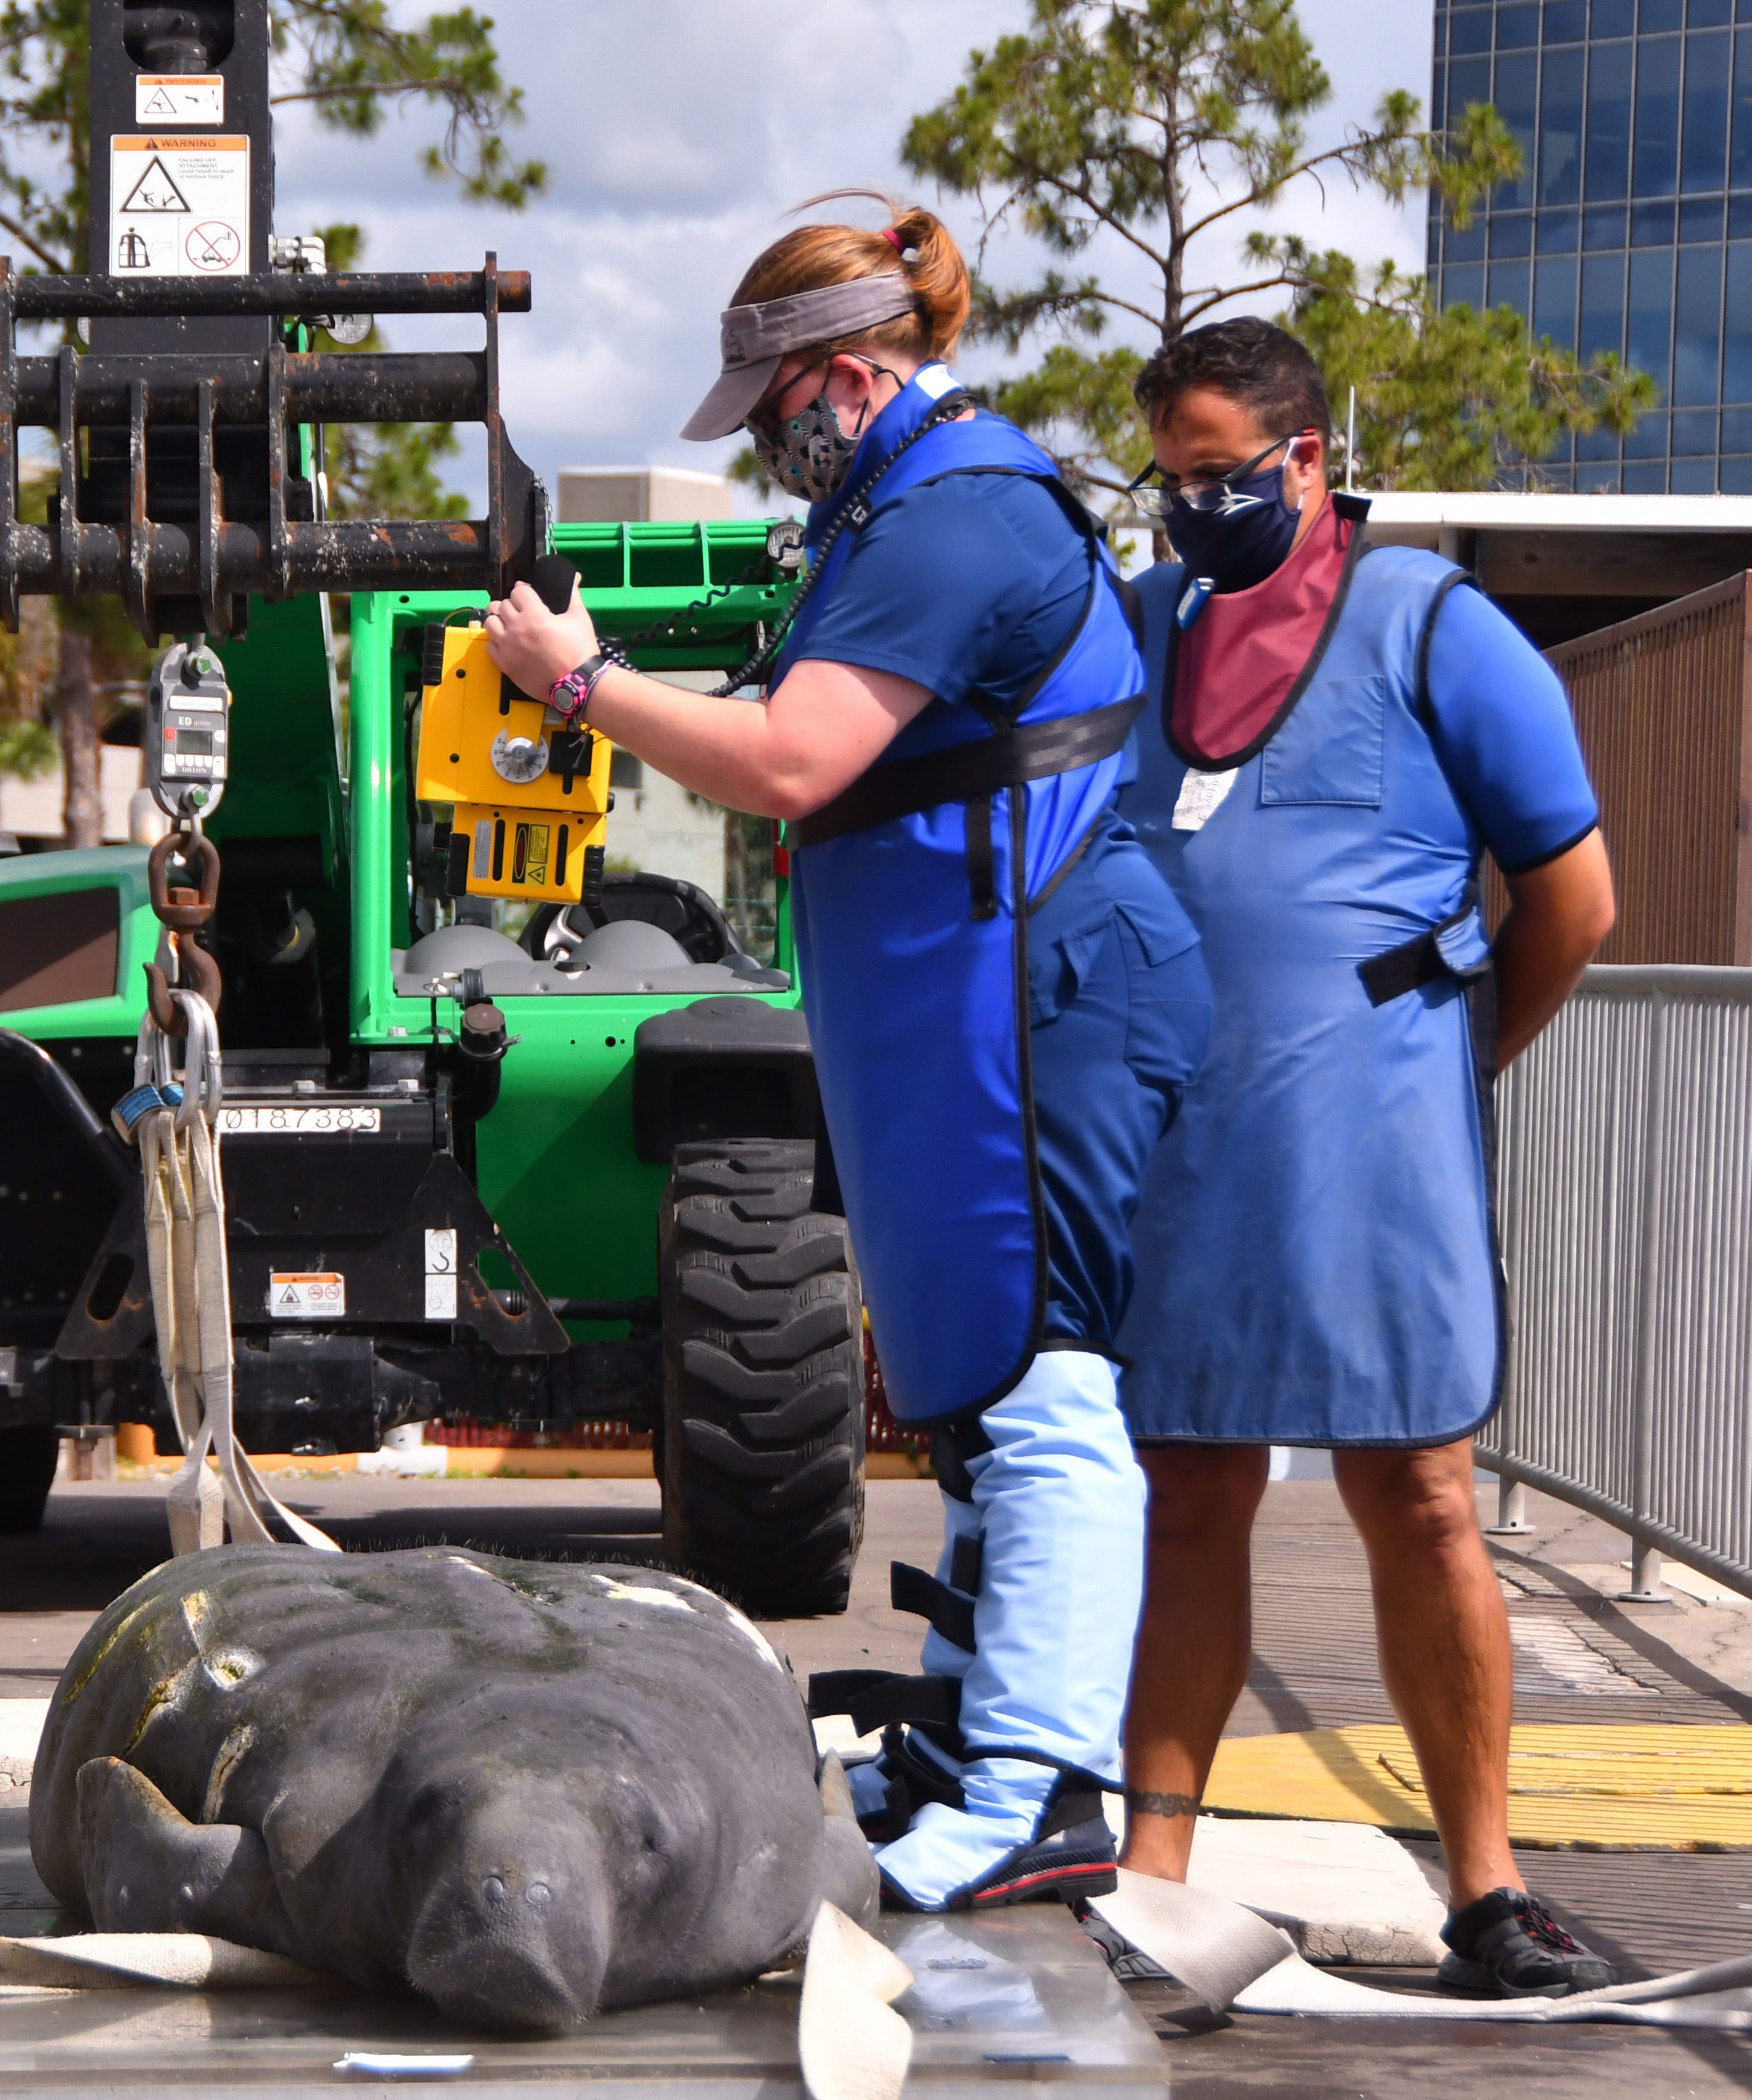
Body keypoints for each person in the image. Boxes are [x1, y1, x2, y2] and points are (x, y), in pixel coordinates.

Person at [481, 197, 1211, 1913]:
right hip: (962, 996)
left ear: (847, 375)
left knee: (1043, 1389)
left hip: (1029, 989)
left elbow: (797, 762)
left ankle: (1042, 1791)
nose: (769, 456)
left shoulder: (955, 516)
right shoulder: (901, 510)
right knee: (980, 1393)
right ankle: (971, 1745)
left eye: (775, 417)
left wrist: (581, 686)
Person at [1111, 317, 1621, 1997]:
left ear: (1308, 460)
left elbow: (1571, 899)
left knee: (1415, 1494)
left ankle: (1485, 1894)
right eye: (1172, 483)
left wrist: (1454, 1056)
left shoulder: (1435, 629)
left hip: (1383, 1142)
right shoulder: (1146, 627)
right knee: (1189, 1498)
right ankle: (1150, 1879)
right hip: (1189, 1140)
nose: (1194, 509)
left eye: (1222, 477)